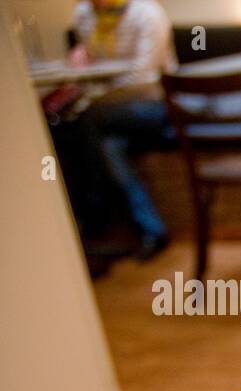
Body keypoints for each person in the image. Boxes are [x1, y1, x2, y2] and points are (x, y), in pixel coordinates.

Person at [70, 0, 177, 259]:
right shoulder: (84, 15)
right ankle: (151, 229)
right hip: (108, 114)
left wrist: (98, 93)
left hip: (155, 106)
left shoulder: (147, 14)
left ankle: (93, 215)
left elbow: (143, 78)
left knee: (84, 120)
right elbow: (88, 64)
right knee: (108, 148)